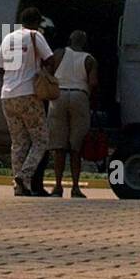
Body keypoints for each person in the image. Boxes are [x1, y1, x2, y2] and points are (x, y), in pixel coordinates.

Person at [0, 7, 55, 197]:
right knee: (41, 139)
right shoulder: (35, 36)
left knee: (18, 142)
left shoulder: (7, 38)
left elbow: (0, 68)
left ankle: (18, 186)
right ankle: (24, 175)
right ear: (37, 22)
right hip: (28, 95)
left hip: (7, 96)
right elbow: (50, 59)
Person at [47, 29, 98, 198]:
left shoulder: (59, 54)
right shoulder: (90, 59)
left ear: (69, 39)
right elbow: (93, 83)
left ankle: (58, 187)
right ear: (85, 43)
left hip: (59, 96)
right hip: (79, 96)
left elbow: (49, 73)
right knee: (76, 147)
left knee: (59, 146)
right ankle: (75, 187)